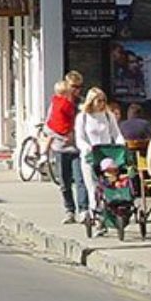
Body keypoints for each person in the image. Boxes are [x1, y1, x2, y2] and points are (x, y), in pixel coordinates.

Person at [75, 86, 124, 233]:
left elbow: (116, 134)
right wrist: (86, 147)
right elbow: (80, 138)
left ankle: (110, 214)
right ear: (91, 101)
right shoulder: (82, 117)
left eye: (104, 100)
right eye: (99, 101)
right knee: (93, 188)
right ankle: (97, 218)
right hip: (90, 156)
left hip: (107, 156)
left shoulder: (108, 116)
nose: (102, 103)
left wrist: (121, 144)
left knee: (109, 186)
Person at [45, 78, 88, 223]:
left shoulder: (82, 104)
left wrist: (75, 136)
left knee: (80, 180)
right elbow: (48, 125)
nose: (77, 90)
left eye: (79, 87)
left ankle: (83, 209)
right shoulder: (56, 103)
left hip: (77, 148)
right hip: (60, 148)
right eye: (74, 87)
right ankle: (69, 210)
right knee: (64, 182)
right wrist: (61, 135)